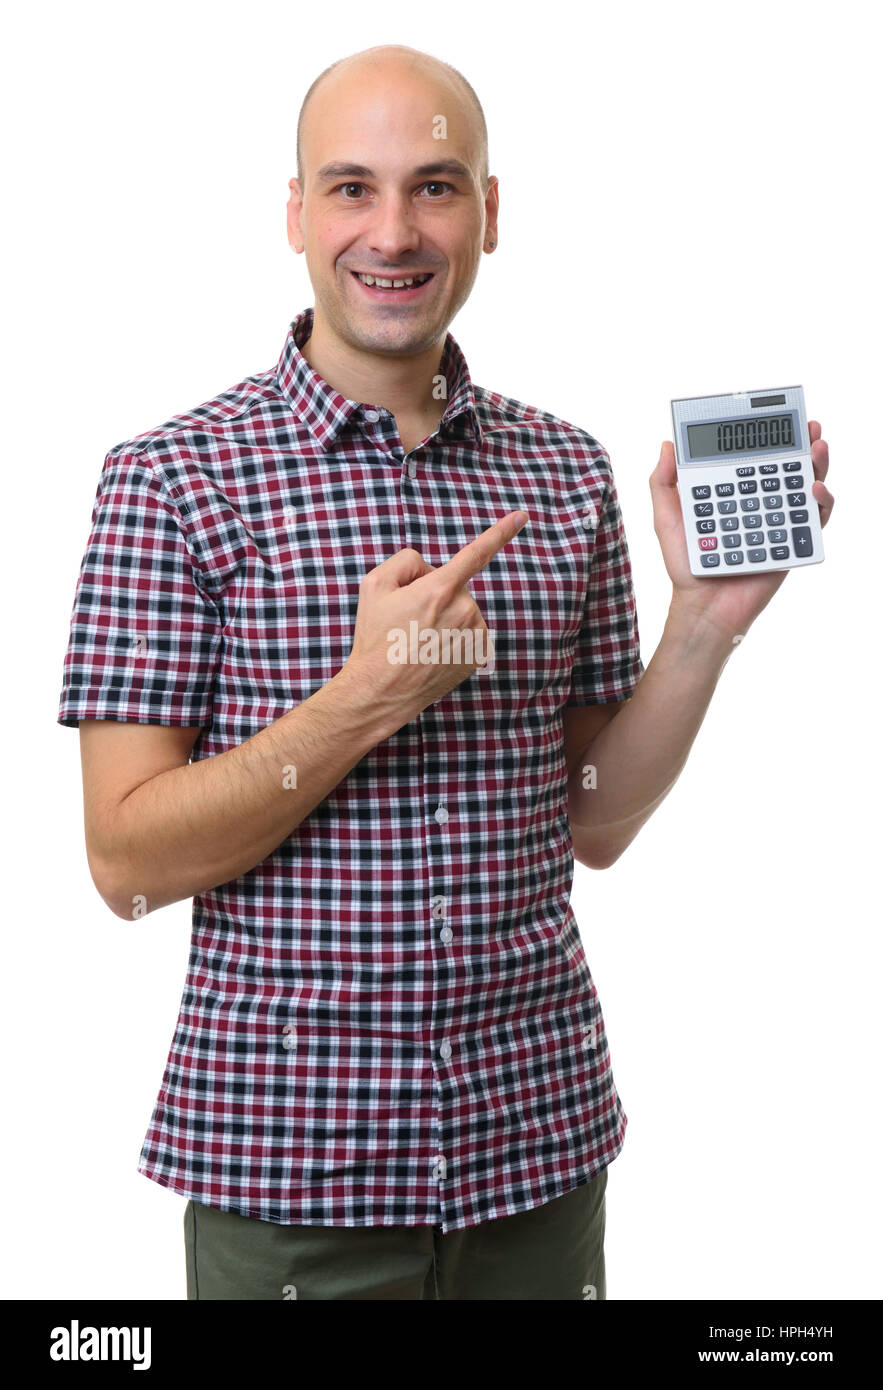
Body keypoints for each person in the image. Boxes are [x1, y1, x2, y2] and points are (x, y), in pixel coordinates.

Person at [57, 43, 834, 1301]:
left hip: (536, 1162)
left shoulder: (562, 472)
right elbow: (125, 863)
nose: (395, 230)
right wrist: (365, 698)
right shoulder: (171, 480)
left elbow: (590, 818)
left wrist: (703, 622)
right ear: (297, 213)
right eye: (353, 187)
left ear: (488, 211)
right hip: (293, 1182)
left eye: (435, 184)